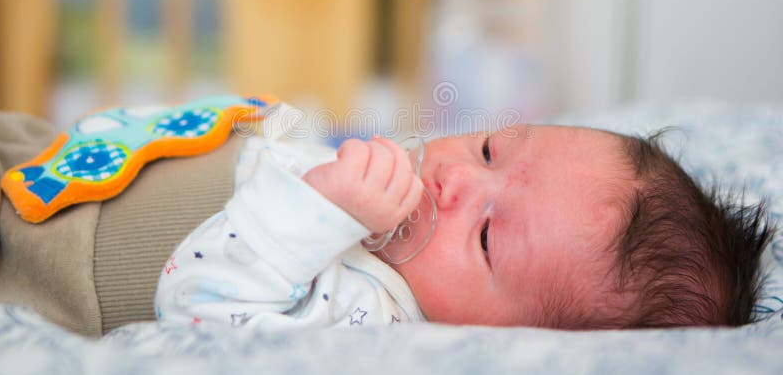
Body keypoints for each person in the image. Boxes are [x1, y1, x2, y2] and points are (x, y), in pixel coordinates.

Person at [155, 106, 773, 330]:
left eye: (484, 236)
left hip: (72, 250)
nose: (455, 180)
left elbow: (199, 315)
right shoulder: (392, 213)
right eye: (488, 152)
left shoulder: (369, 319)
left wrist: (316, 210)